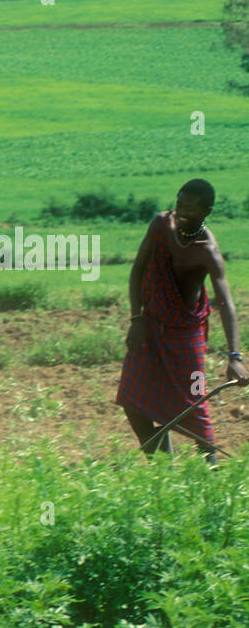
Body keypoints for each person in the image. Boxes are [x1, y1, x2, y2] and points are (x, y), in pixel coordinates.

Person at [117, 179, 247, 465]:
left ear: (206, 211)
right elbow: (137, 270)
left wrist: (235, 356)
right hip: (150, 326)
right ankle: (162, 466)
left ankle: (209, 472)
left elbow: (225, 302)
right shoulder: (160, 226)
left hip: (187, 336)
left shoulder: (207, 250)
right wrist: (136, 318)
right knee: (131, 400)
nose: (183, 211)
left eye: (191, 207)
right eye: (180, 203)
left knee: (196, 406)